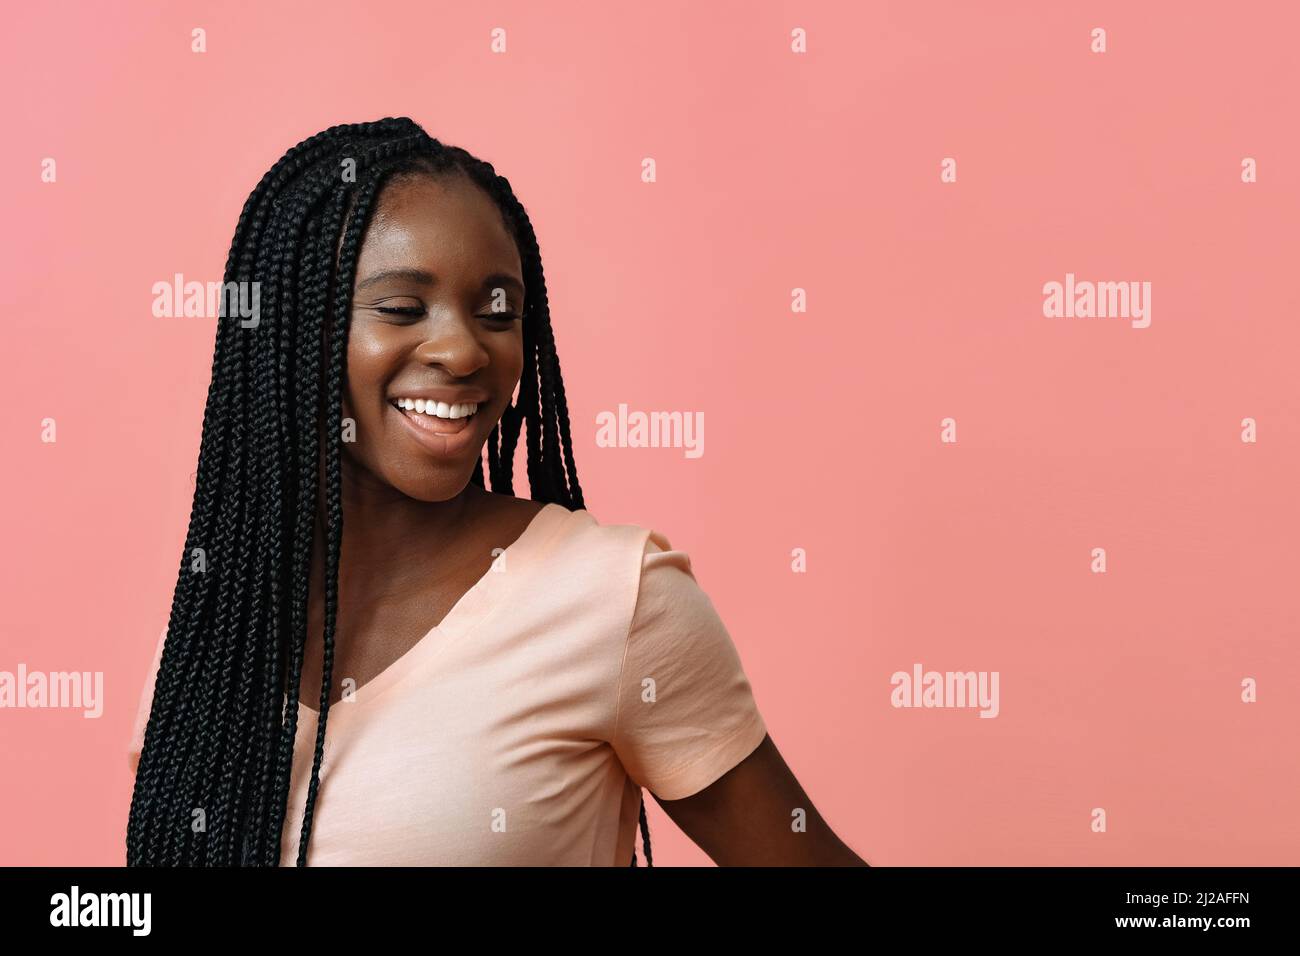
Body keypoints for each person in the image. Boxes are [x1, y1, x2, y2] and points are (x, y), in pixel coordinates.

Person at [125, 117, 866, 867]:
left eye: (497, 311)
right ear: (293, 329)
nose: (462, 349)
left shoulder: (614, 598)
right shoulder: (219, 626)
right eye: (401, 308)